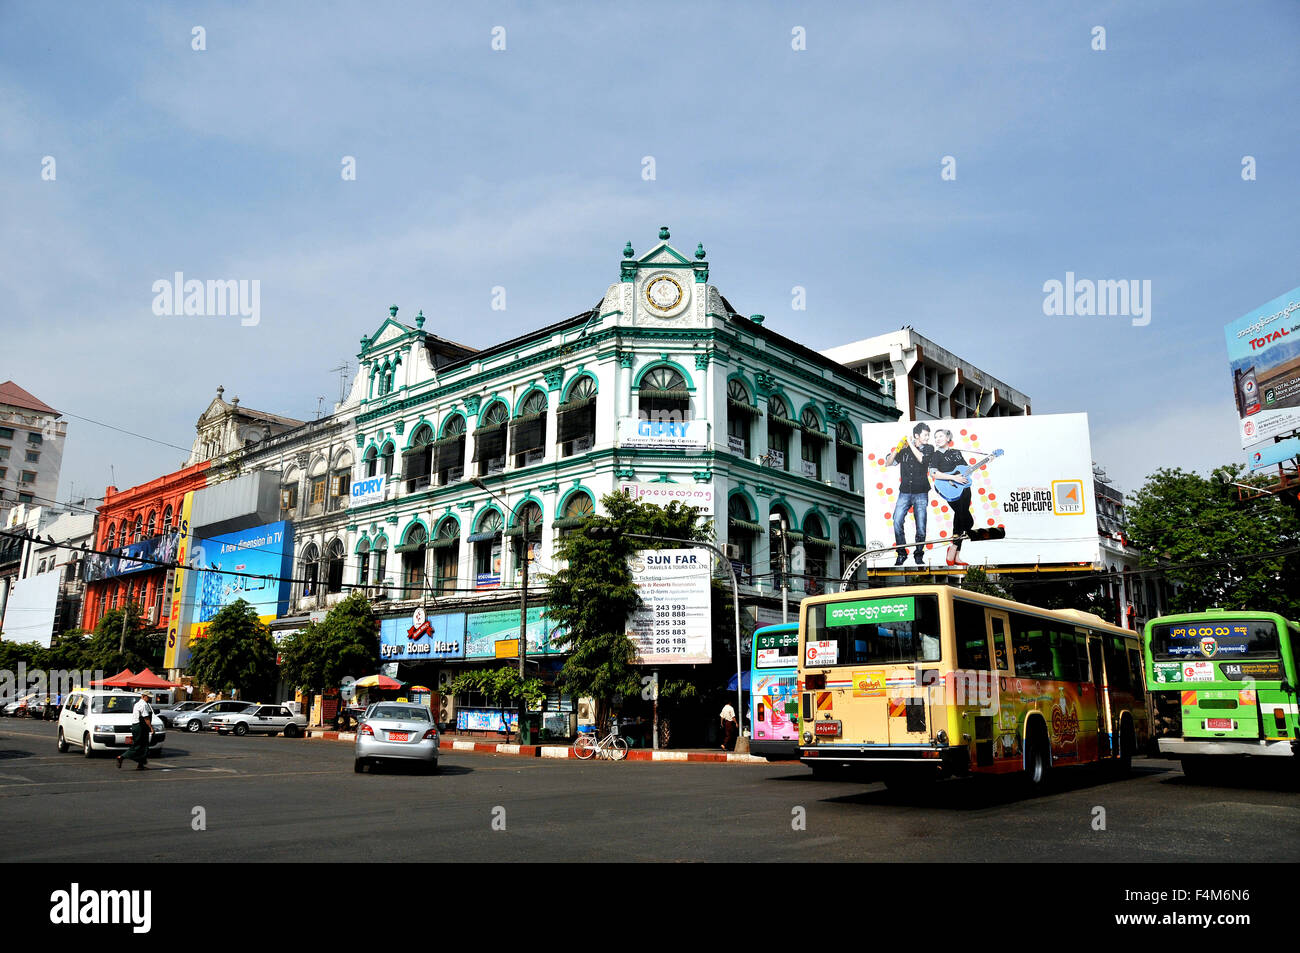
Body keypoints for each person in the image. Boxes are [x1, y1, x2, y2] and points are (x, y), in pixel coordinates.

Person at [884, 423, 934, 566]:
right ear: (917, 435)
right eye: (925, 434)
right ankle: (901, 553)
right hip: (904, 492)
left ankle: (918, 554)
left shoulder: (929, 448)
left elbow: (923, 459)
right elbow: (888, 463)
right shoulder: (904, 450)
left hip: (921, 492)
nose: (927, 437)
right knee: (897, 520)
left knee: (921, 526)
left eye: (928, 435)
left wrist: (911, 445)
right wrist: (898, 448)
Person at [928, 428, 973, 567]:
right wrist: (954, 477)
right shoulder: (935, 455)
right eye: (936, 437)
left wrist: (983, 462)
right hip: (949, 488)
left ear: (948, 438)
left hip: (964, 487)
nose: (937, 439)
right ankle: (954, 548)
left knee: (960, 517)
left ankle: (956, 553)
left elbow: (965, 468)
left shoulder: (956, 452)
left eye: (940, 436)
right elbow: (934, 473)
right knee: (967, 521)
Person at [118, 691, 154, 771]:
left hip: (139, 727)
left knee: (144, 746)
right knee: (137, 746)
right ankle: (122, 757)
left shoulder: (139, 704)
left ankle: (140, 764)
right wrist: (151, 727)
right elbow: (146, 718)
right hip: (140, 727)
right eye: (149, 697)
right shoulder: (143, 704)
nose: (150, 699)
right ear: (144, 696)